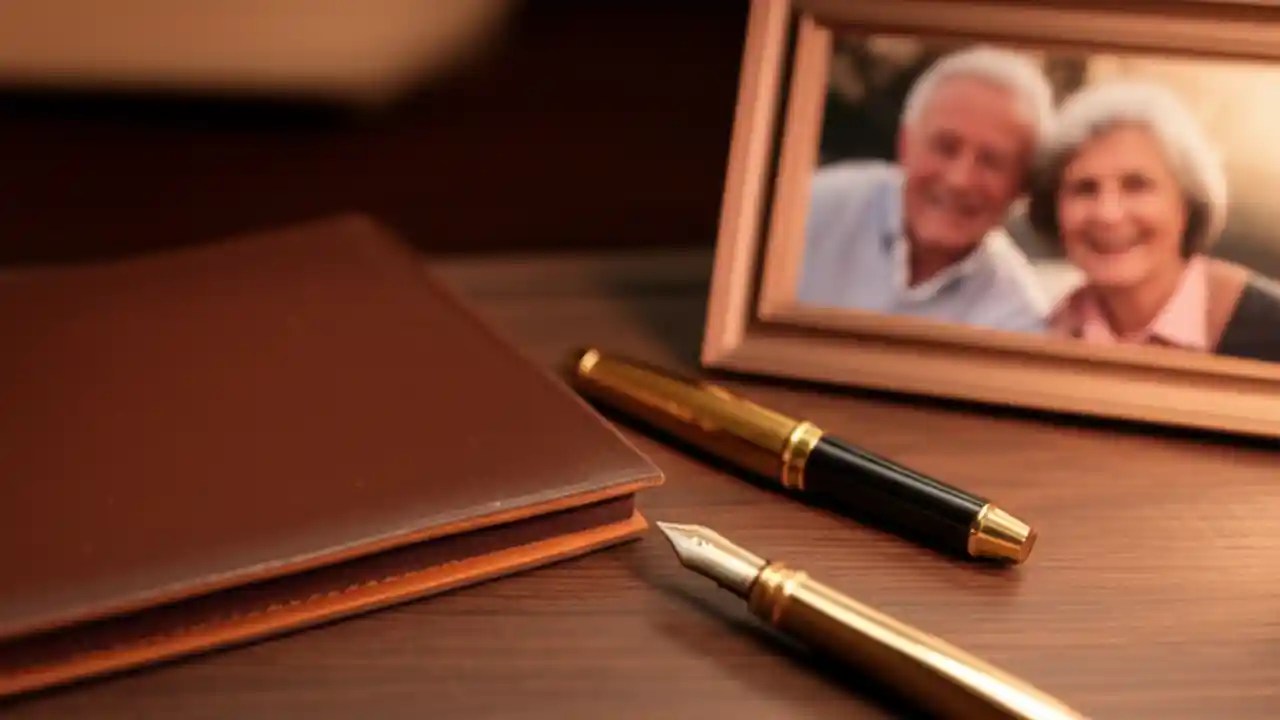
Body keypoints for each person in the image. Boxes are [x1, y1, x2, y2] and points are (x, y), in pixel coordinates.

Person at [797, 46, 1053, 333]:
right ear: (905, 144)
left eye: (992, 161)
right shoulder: (806, 209)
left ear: (1021, 187)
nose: (960, 180)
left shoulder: (1017, 315)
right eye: (945, 147)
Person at [1027, 81, 1280, 363]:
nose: (1109, 214)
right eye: (1085, 189)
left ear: (1187, 202)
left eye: (1137, 185)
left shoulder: (1270, 328)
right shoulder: (1033, 335)